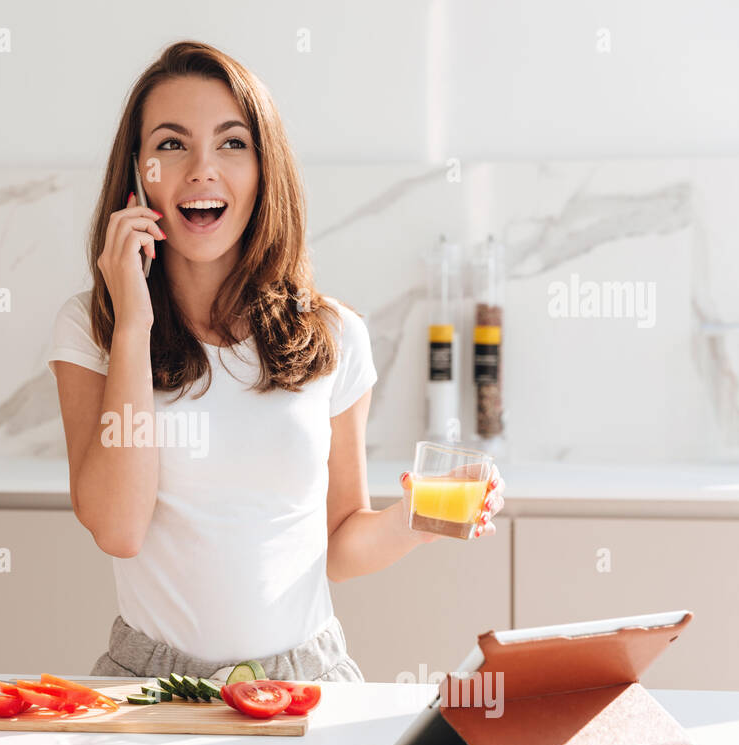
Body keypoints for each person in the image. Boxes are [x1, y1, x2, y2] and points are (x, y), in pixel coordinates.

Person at [46, 41, 505, 682]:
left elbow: (339, 540)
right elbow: (120, 528)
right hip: (149, 684)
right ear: (137, 171)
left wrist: (419, 520)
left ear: (265, 170)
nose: (203, 169)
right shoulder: (92, 328)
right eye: (172, 145)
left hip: (305, 680)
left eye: (232, 143)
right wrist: (134, 324)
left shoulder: (333, 334)